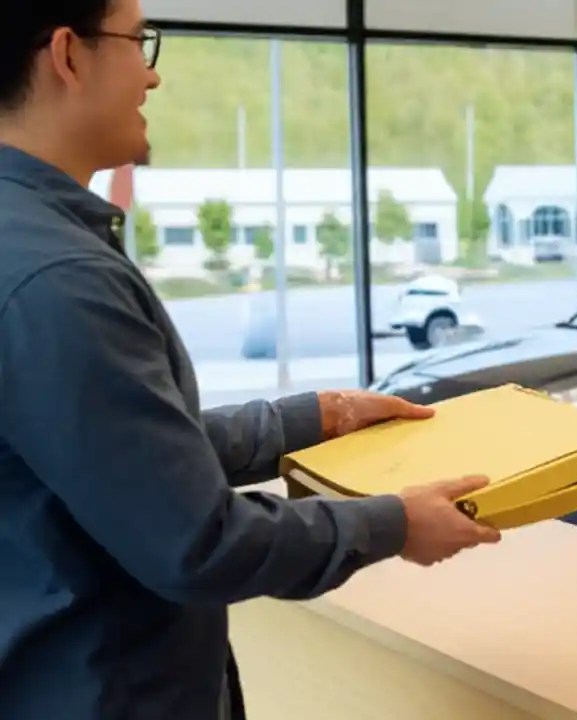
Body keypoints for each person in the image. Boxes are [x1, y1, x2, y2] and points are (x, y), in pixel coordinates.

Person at [0, 2, 500, 718]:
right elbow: (195, 541)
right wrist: (394, 524)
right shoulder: (59, 278)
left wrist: (312, 418)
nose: (151, 76)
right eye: (138, 42)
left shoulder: (26, 241)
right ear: (68, 55)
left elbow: (118, 457)